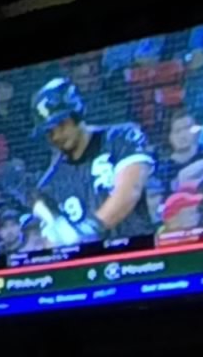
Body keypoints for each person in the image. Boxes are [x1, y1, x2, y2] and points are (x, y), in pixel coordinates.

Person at [26, 77, 158, 248]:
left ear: (77, 114)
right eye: (49, 132)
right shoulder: (50, 184)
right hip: (90, 268)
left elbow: (130, 191)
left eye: (61, 125)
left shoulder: (120, 137)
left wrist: (86, 232)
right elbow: (52, 243)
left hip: (139, 257)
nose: (57, 136)